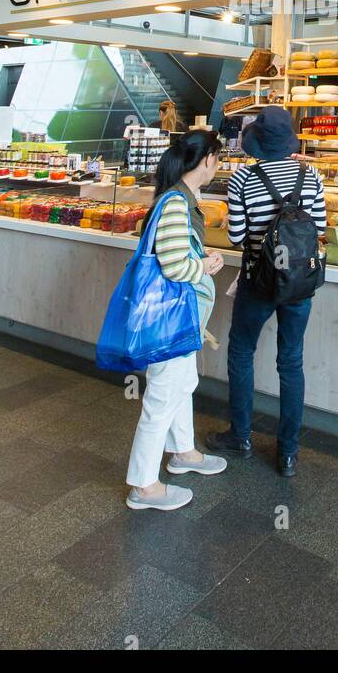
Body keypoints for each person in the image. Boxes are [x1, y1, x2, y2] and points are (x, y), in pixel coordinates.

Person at [208, 107, 326, 477]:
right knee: (291, 362)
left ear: (256, 140)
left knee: (242, 352)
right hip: (298, 284)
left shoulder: (242, 178)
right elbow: (319, 231)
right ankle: (287, 453)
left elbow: (238, 237)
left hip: (257, 281)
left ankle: (240, 436)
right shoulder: (312, 176)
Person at [125, 129, 227, 512]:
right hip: (169, 318)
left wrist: (199, 260)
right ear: (204, 161)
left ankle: (183, 452)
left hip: (182, 318)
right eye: (217, 158)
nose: (218, 165)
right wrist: (206, 264)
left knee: (184, 382)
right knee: (162, 396)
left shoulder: (183, 199)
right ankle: (144, 486)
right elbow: (173, 265)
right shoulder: (174, 204)